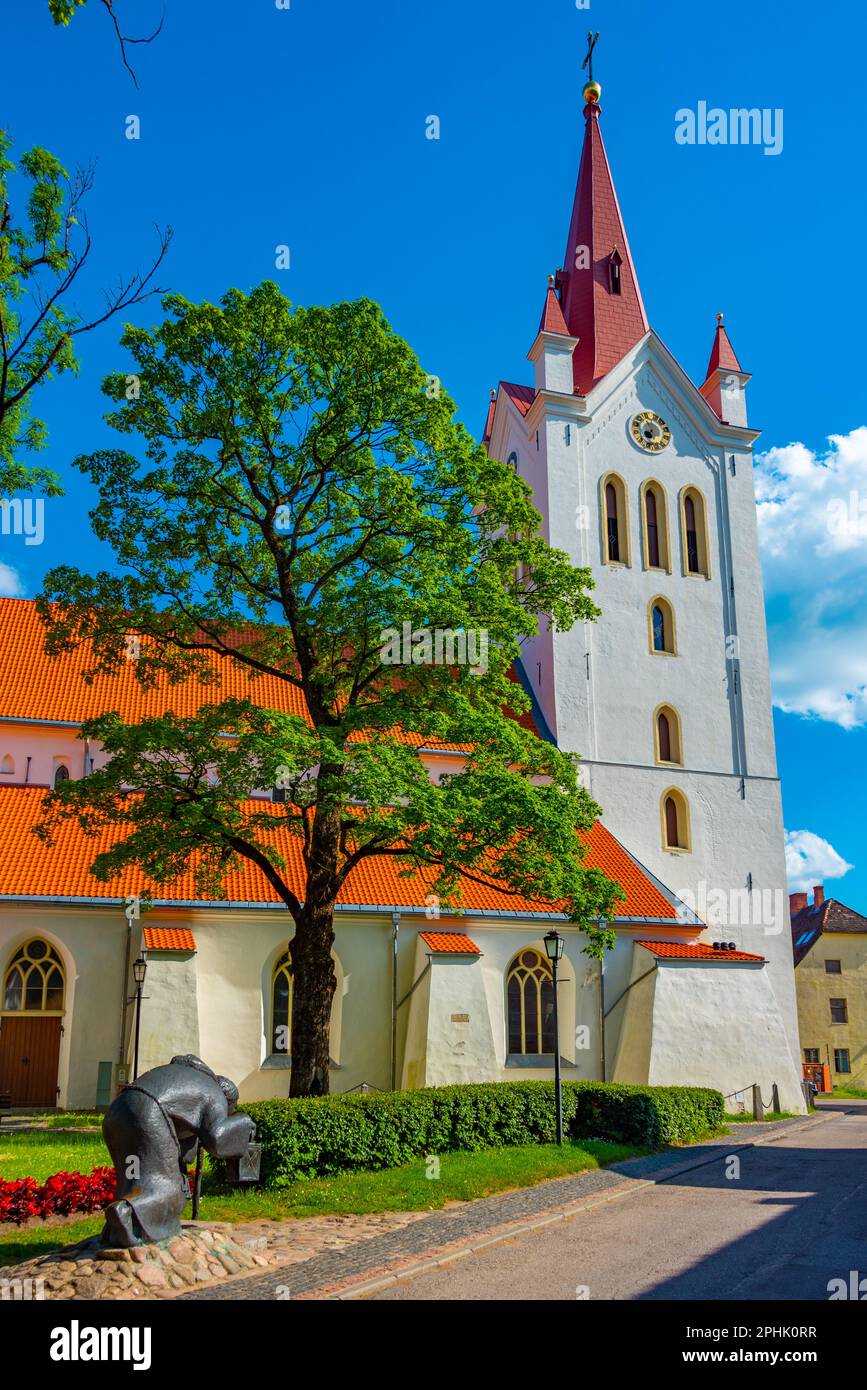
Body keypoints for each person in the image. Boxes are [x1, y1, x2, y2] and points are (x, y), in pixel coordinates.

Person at [102, 1054, 255, 1247]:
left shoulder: (191, 1078)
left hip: (118, 1111)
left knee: (135, 1177)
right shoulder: (216, 1095)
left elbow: (183, 1147)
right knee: (165, 1184)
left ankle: (121, 1227)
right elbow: (217, 1138)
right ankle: (126, 1212)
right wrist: (244, 1123)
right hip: (150, 1111)